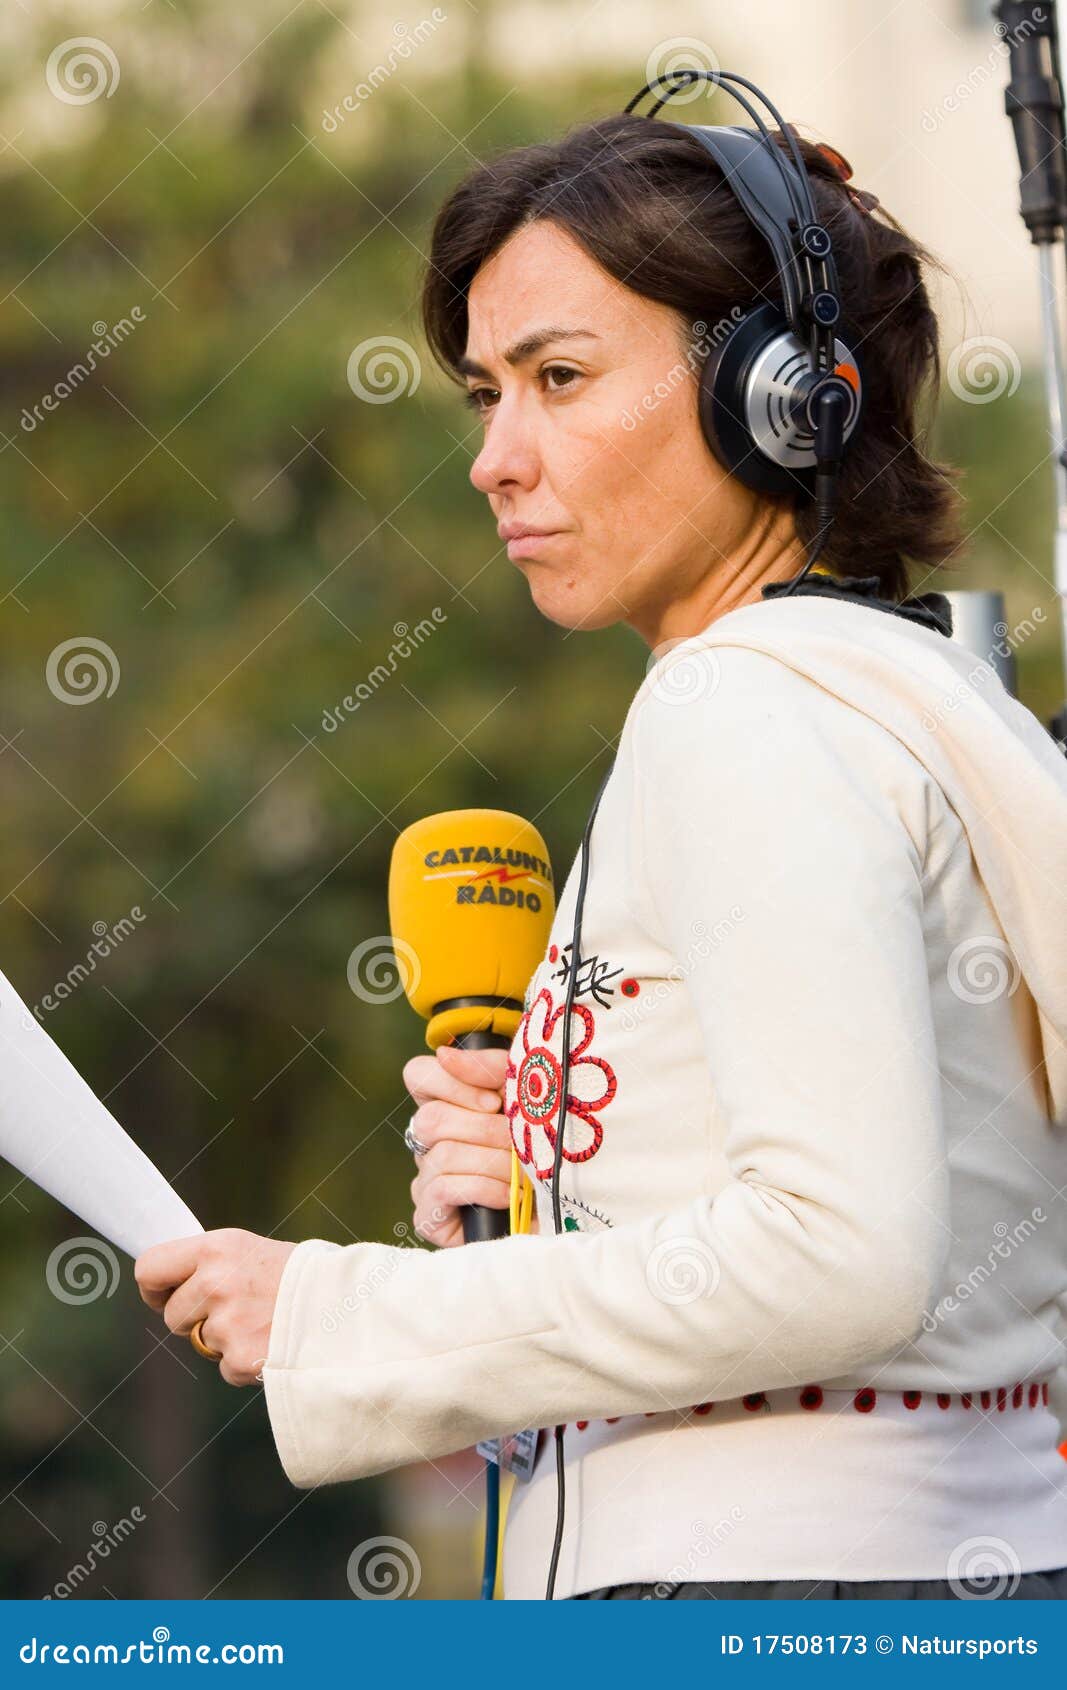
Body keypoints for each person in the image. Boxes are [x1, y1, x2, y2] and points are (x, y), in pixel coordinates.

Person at [136, 111, 1067, 1600]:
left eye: (560, 379)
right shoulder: (918, 697)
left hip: (769, 1599)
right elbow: (932, 1206)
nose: (496, 459)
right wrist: (588, 1176)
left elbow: (843, 1252)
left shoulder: (740, 703)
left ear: (780, 401)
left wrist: (339, 1308)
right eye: (484, 395)